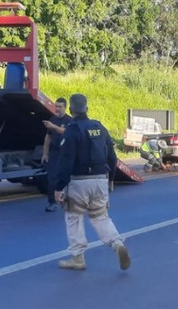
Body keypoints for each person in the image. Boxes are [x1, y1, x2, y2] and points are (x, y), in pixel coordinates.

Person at [51, 93, 130, 271]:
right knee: (100, 217)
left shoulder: (72, 130)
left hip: (79, 182)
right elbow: (112, 157)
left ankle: (78, 258)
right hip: (100, 179)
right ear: (87, 108)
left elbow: (66, 161)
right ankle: (117, 243)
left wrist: (58, 187)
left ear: (71, 110)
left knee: (73, 218)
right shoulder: (100, 127)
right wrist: (111, 178)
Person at [41, 97, 72, 212]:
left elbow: (67, 132)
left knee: (66, 178)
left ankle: (68, 201)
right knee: (52, 178)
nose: (57, 109)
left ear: (65, 107)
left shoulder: (69, 121)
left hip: (66, 153)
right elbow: (48, 137)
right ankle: (52, 202)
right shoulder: (52, 119)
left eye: (60, 107)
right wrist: (45, 154)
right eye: (56, 106)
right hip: (54, 153)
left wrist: (53, 126)